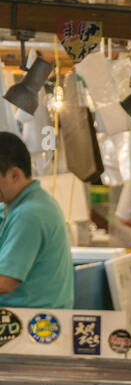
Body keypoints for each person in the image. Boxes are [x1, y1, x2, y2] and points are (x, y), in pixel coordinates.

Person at [0, 132, 73, 309]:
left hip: (35, 326)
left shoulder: (30, 214)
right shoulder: (16, 204)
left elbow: (5, 283)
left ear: (15, 175)